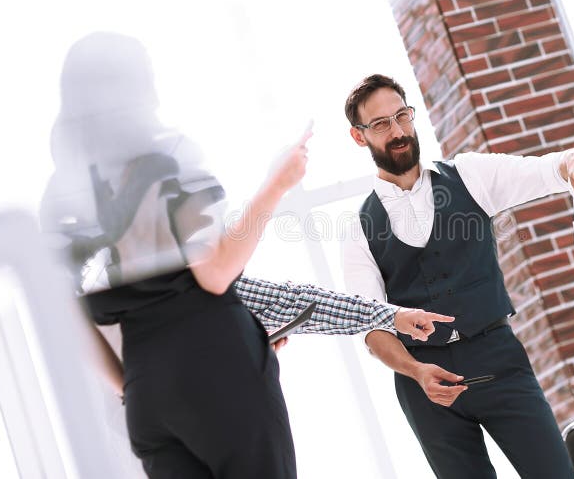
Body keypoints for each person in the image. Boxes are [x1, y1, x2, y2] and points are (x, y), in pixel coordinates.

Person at [39, 34, 452, 479]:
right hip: (222, 380)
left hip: (147, 400)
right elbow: (216, 274)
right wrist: (277, 184)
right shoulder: (168, 157)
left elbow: (63, 321)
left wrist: (137, 386)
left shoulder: (60, 198)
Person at [341, 74, 574, 478]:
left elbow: (542, 171)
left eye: (402, 116)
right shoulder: (357, 228)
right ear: (359, 137)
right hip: (425, 386)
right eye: (381, 124)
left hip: (497, 358)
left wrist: (573, 157)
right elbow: (372, 330)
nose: (398, 131)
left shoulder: (469, 174)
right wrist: (415, 371)